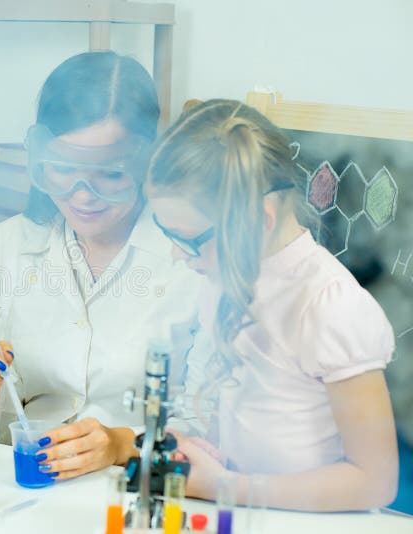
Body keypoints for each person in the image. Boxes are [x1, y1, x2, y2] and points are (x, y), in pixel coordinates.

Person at [0, 51, 203, 479]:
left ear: (146, 163)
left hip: (139, 488)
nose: (82, 194)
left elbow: (214, 430)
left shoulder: (195, 261)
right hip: (24, 482)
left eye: (108, 174)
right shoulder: (8, 244)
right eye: (64, 169)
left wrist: (122, 445)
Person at [146, 98, 398, 510]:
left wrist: (227, 486)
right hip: (242, 514)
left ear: (256, 221)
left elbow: (374, 483)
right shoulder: (224, 278)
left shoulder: (330, 306)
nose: (177, 255)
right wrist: (197, 448)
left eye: (188, 239)